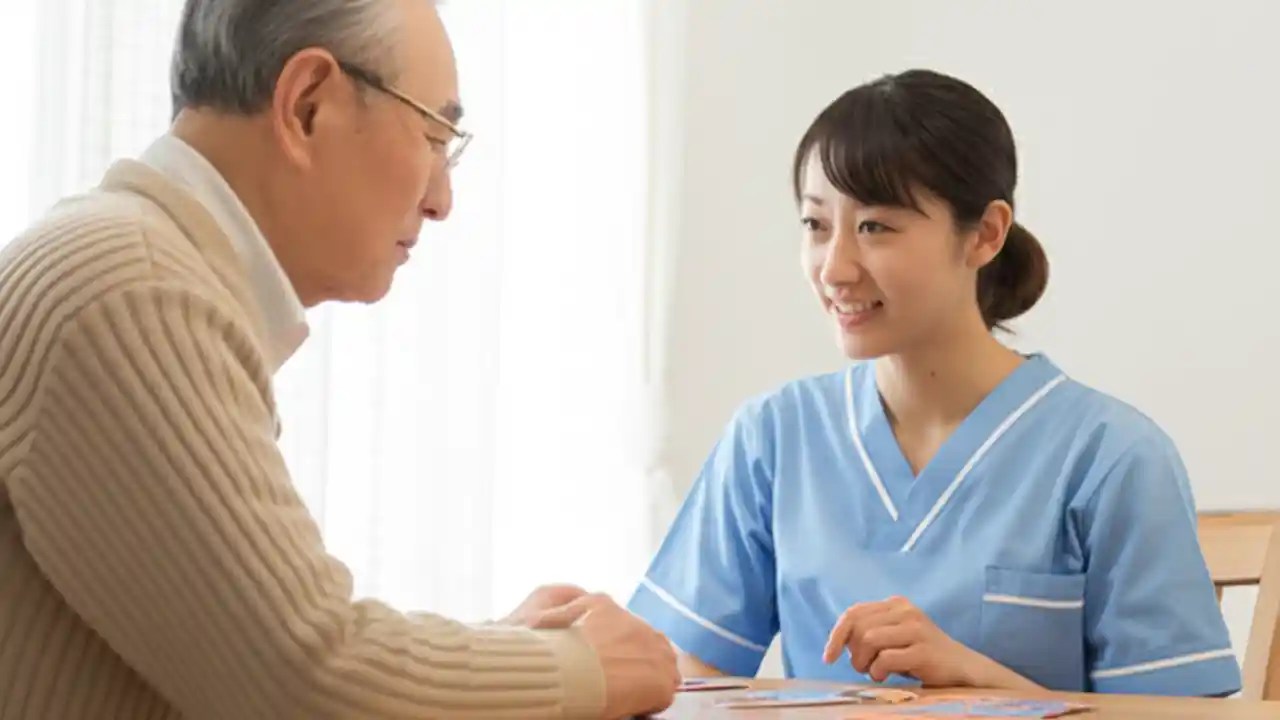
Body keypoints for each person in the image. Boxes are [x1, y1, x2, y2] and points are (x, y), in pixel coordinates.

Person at [0, 1, 677, 718]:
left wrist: (497, 656)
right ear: (307, 104)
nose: (443, 198)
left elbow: (243, 664)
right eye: (433, 134)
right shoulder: (129, 292)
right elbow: (311, 678)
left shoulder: (121, 267)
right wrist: (581, 666)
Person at [627, 69, 1241, 697]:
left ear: (985, 234)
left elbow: (1181, 712)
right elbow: (684, 679)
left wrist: (976, 677)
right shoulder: (774, 440)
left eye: (875, 227)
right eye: (816, 225)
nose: (835, 269)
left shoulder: (1112, 458)